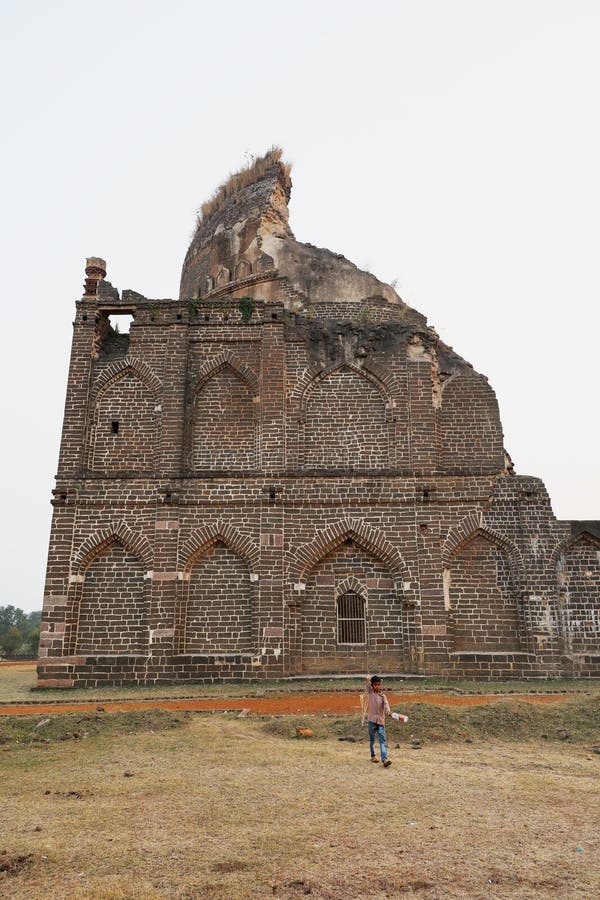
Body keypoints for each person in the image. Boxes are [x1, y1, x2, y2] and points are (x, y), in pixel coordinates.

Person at [365, 674, 392, 767]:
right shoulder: (370, 693)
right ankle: (373, 756)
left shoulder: (383, 696)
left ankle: (384, 759)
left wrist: (388, 712)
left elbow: (386, 705)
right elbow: (368, 685)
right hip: (372, 720)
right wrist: (368, 679)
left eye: (379, 685)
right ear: (372, 686)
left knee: (382, 740)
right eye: (375, 685)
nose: (377, 686)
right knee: (372, 740)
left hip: (380, 721)